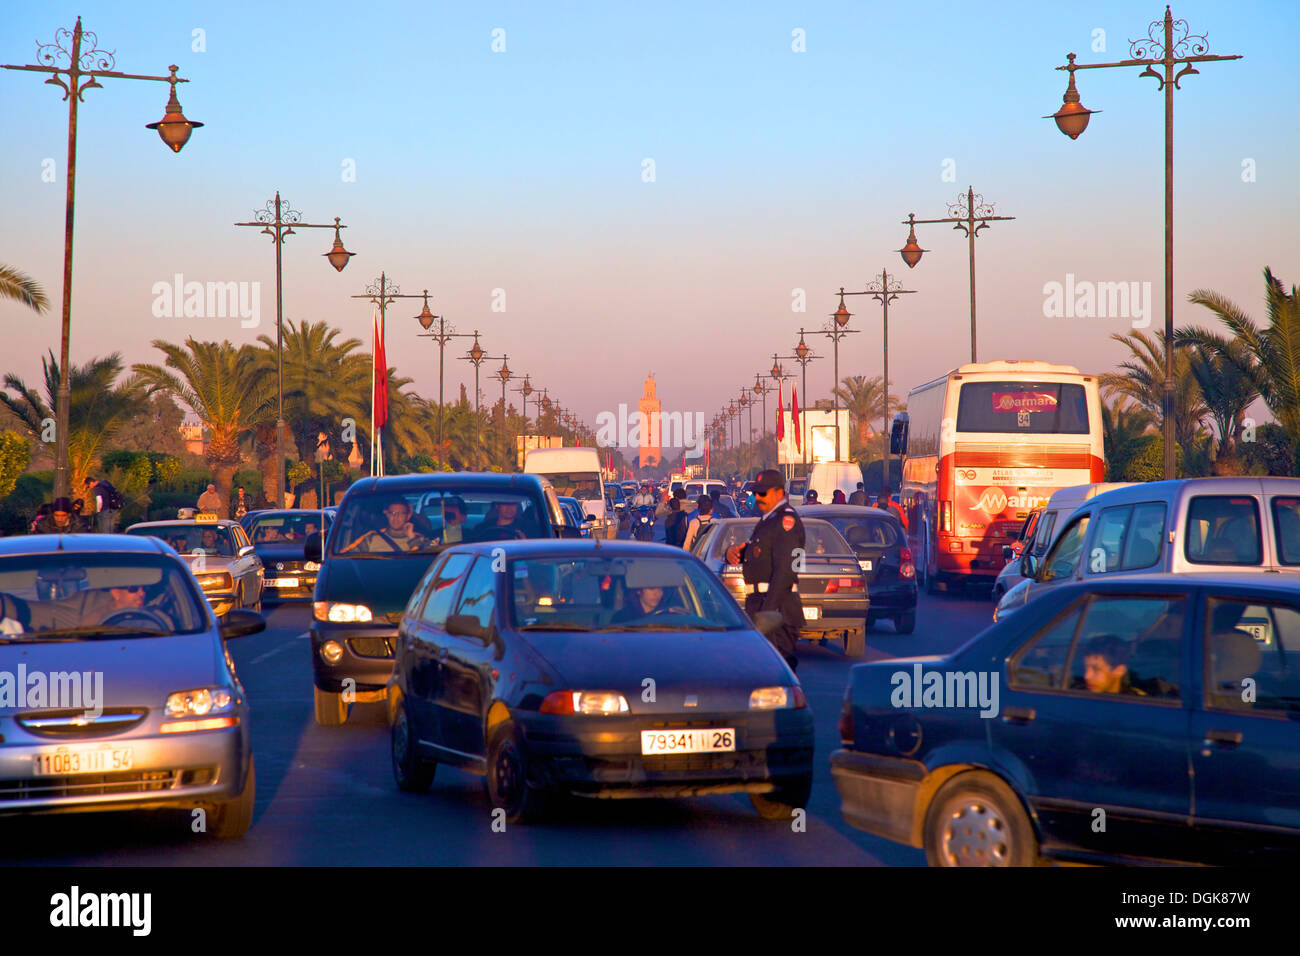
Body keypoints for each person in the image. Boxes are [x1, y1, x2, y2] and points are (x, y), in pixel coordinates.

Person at [725, 468, 805, 671]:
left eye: (763, 493)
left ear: (779, 493)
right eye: (755, 493)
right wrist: (735, 553)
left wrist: (767, 613)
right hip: (762, 606)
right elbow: (762, 555)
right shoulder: (768, 520)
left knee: (776, 676)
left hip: (778, 610)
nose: (757, 498)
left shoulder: (786, 522)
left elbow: (785, 572)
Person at [340, 499, 431, 553]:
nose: (396, 517)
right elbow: (345, 557)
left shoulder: (421, 540)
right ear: (386, 514)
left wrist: (412, 539)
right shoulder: (370, 538)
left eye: (401, 513)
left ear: (408, 516)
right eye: (392, 513)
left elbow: (429, 562)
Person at [1079, 635, 1144, 695]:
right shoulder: (1077, 695)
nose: (1087, 676)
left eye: (1096, 669)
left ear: (1119, 670)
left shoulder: (1138, 702)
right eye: (1085, 668)